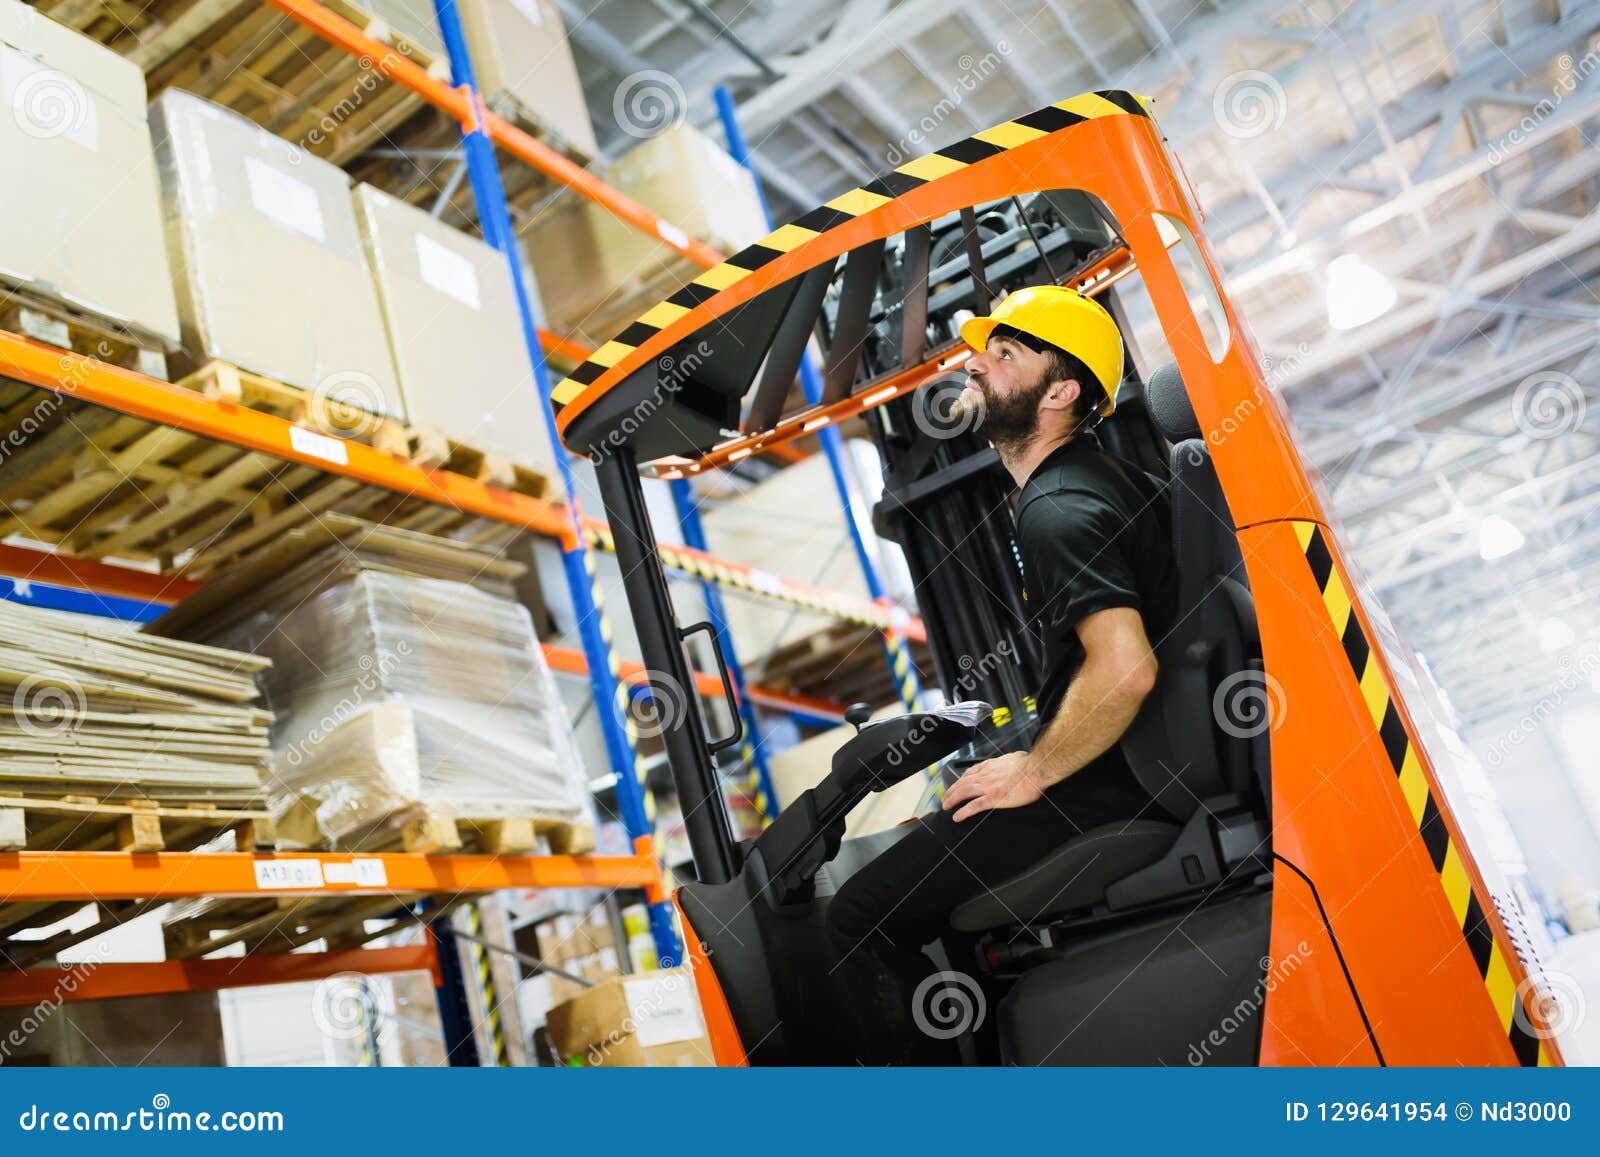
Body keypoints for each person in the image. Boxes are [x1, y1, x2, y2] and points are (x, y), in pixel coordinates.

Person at [824, 285, 1178, 1064]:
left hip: (1105, 784)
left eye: (1004, 354)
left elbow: (1125, 671)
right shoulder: (1100, 483)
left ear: (1061, 393)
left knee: (855, 920)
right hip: (1134, 769)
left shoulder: (1059, 507)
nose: (974, 367)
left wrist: (1035, 764)